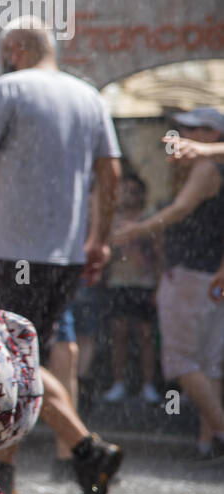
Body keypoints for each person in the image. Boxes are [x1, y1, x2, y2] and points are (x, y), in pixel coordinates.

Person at [0, 16, 122, 494]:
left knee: (11, 359)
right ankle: (8, 470)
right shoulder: (89, 96)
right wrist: (99, 239)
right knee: (25, 359)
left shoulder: (10, 88)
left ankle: (86, 449)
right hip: (63, 253)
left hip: (12, 249)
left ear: (16, 48)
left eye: (4, 50)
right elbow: (111, 173)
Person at [111, 108, 224, 460]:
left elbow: (179, 211)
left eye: (192, 130)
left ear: (212, 136)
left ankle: (220, 432)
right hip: (210, 276)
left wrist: (136, 229)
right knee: (210, 363)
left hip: (191, 275)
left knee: (180, 362)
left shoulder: (208, 168)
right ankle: (209, 444)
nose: (182, 135)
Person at [102, 171, 160, 405]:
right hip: (118, 283)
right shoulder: (112, 219)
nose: (129, 196)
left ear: (142, 194)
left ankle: (148, 385)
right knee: (119, 333)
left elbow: (159, 253)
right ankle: (119, 383)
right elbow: (106, 252)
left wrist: (159, 284)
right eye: (125, 190)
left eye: (134, 191)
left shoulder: (150, 219)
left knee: (146, 335)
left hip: (145, 284)